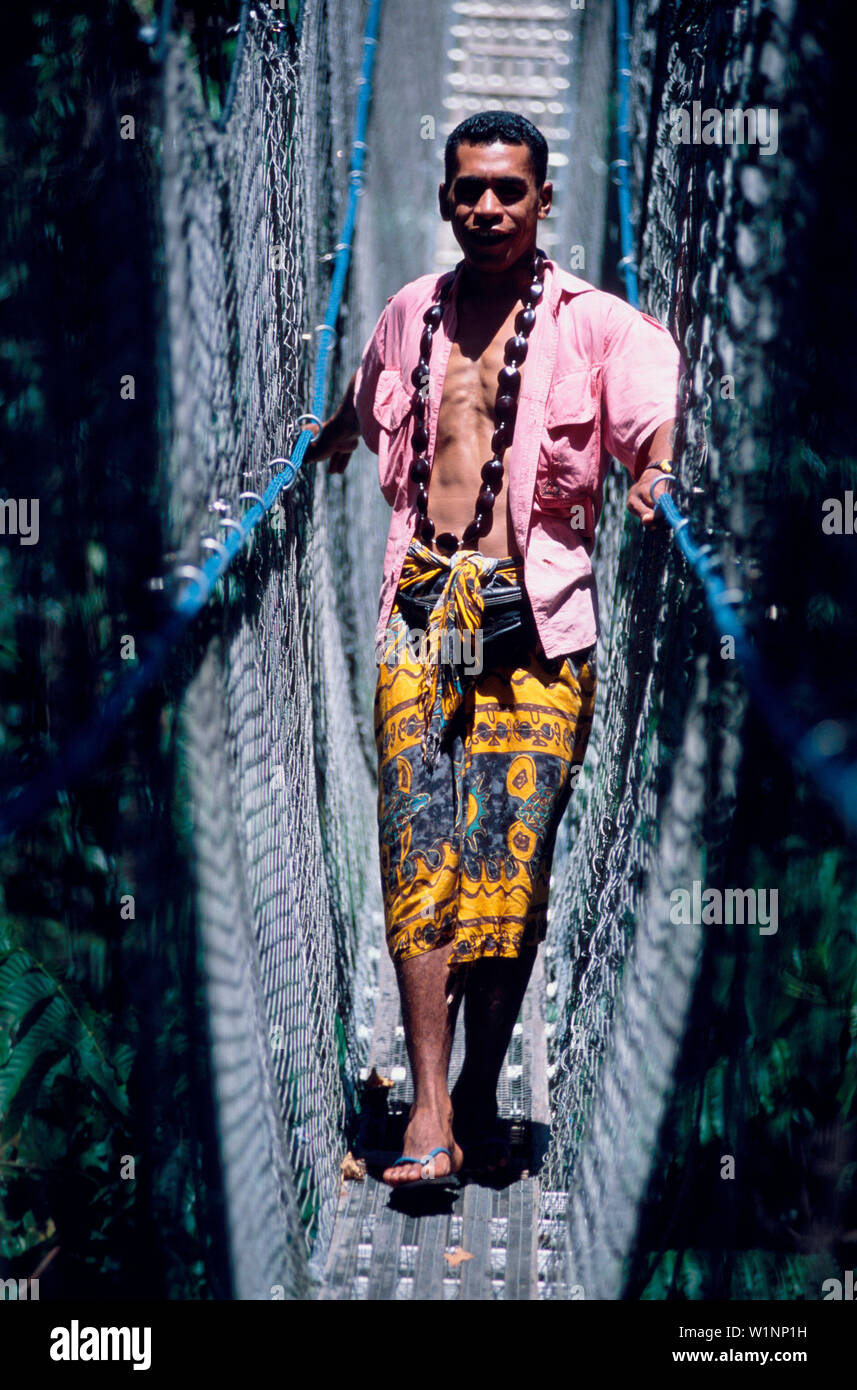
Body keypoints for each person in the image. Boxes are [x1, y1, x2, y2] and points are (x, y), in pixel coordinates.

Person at [305, 111, 682, 1188]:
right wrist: (332, 437)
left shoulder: (596, 326)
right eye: (468, 188)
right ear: (441, 198)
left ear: (542, 200)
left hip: (540, 633)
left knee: (506, 879)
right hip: (422, 618)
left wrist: (652, 469)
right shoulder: (406, 314)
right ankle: (429, 1100)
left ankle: (477, 1091)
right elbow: (368, 396)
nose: (486, 208)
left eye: (508, 191)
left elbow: (652, 407)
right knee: (419, 857)